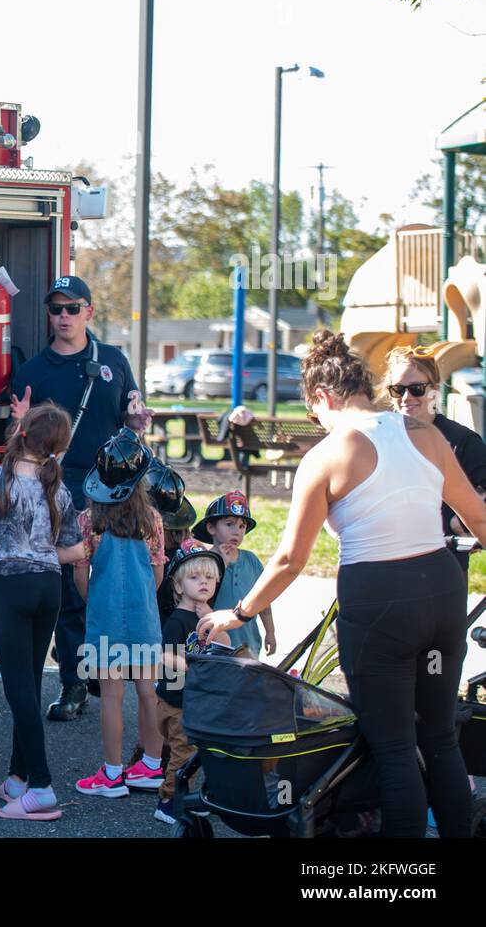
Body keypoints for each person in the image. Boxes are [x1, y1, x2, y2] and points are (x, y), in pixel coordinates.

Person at [199, 330, 486, 838]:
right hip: (442, 588)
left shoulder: (328, 456)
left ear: (324, 398)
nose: (316, 424)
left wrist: (237, 613)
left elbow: (290, 559)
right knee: (441, 738)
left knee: (394, 746)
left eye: (314, 415)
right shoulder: (425, 433)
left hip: (379, 600)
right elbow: (479, 521)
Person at [10, 275, 151, 721]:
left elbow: (131, 420)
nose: (64, 316)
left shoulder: (113, 360)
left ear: (89, 311)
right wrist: (16, 424)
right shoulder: (32, 372)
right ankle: (73, 682)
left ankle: (104, 669)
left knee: (110, 579)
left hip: (111, 489)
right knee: (69, 582)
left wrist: (138, 423)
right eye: (57, 309)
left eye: (73, 308)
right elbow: (16, 440)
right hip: (57, 484)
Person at [0, 404, 85, 821]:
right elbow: (70, 550)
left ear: (21, 432)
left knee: (17, 689)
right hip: (48, 585)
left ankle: (43, 786)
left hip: (9, 586)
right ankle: (17, 777)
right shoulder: (59, 489)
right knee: (29, 682)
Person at [72, 428, 169, 798]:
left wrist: (95, 599)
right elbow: (158, 573)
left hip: (105, 619)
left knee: (111, 696)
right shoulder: (152, 521)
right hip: (144, 618)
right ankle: (151, 767)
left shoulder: (89, 520)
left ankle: (112, 774)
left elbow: (81, 575)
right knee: (148, 692)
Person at [384, 344, 486, 578]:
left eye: (417, 389)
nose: (407, 397)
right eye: (398, 390)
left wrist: (458, 521)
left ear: (435, 390)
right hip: (386, 566)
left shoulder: (462, 441)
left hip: (443, 568)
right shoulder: (380, 437)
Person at [153, 540, 228, 825]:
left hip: (195, 700)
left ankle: (185, 796)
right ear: (179, 585)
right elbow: (167, 656)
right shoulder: (177, 621)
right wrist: (193, 667)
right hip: (176, 701)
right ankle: (168, 800)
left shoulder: (209, 617)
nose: (204, 583)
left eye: (209, 578)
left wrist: (210, 618)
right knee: (183, 752)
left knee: (195, 752)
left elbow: (226, 644)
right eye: (195, 577)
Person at [193, 492, 275, 659]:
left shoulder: (251, 560)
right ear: (211, 528)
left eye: (242, 526)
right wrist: (221, 564)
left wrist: (270, 632)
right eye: (229, 524)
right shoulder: (202, 561)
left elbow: (264, 601)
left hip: (248, 645)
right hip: (213, 645)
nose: (236, 532)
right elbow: (199, 599)